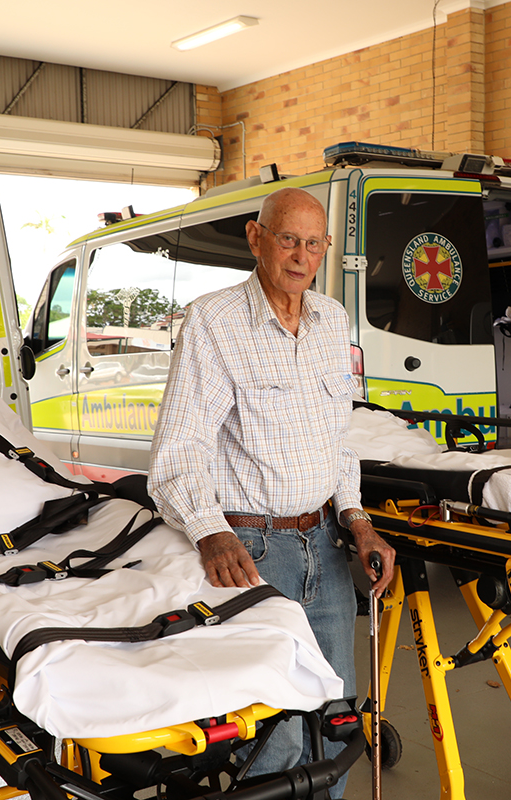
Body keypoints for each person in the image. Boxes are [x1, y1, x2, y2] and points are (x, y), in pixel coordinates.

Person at [148, 187, 395, 794]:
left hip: (326, 547)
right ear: (257, 239)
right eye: (288, 239)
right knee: (275, 732)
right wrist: (210, 531)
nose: (300, 255)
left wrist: (359, 521)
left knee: (334, 718)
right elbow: (179, 449)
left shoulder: (333, 321)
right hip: (254, 551)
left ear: (326, 249)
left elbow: (339, 441)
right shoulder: (214, 320)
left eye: (314, 244)